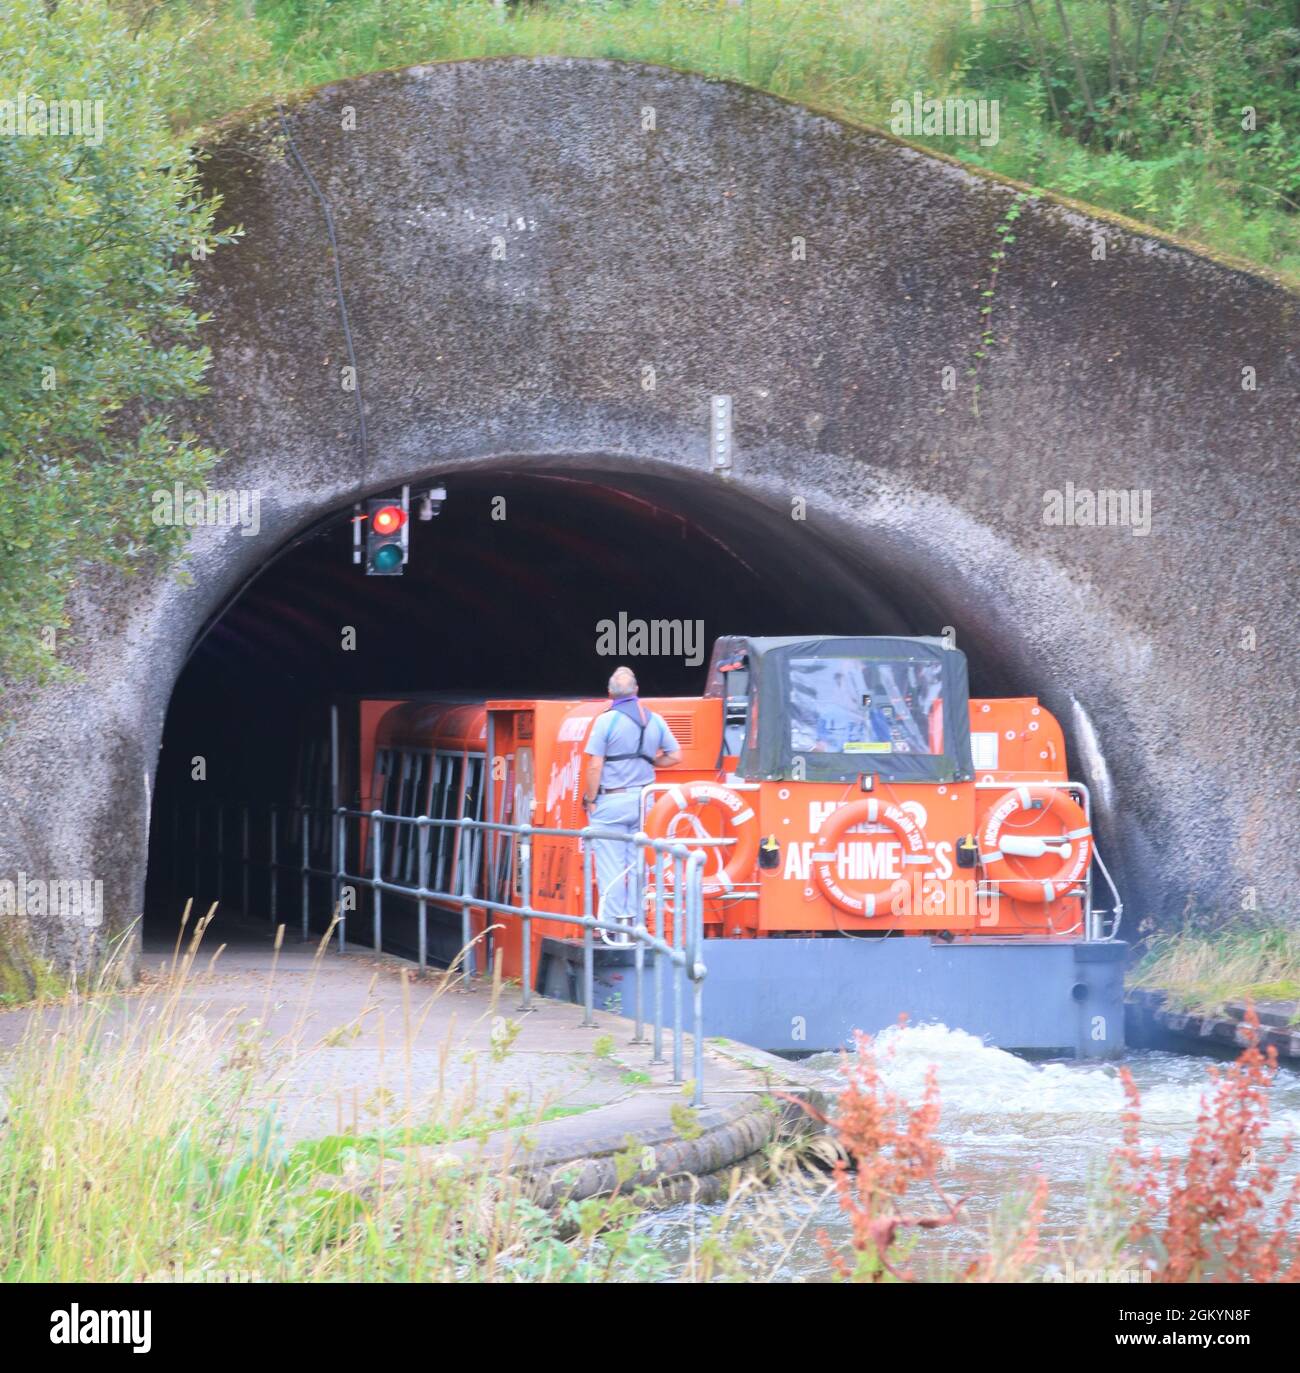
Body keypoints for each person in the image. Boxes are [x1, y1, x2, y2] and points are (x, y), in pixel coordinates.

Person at [581, 666, 681, 936]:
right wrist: (649, 761)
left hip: (611, 800)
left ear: (610, 692)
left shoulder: (606, 721)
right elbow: (675, 756)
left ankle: (614, 927)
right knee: (637, 863)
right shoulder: (655, 720)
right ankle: (637, 923)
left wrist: (591, 799)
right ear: (636, 690)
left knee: (610, 865)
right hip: (644, 802)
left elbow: (594, 765)